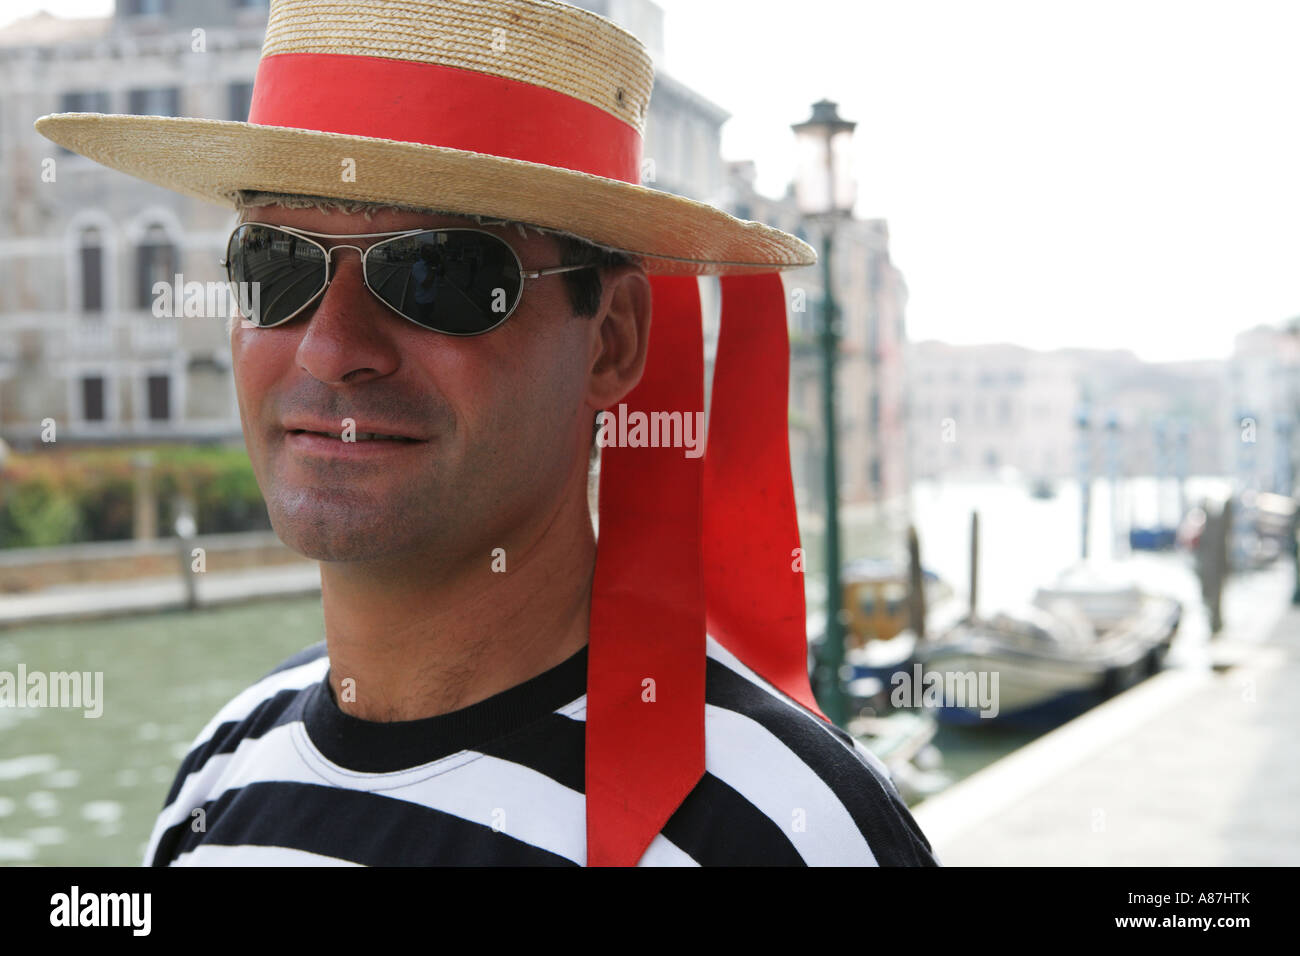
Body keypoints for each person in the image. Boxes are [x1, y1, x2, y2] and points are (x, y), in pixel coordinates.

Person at [37, 0, 937, 866]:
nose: (330, 346)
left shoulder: (789, 834)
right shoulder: (215, 783)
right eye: (276, 264)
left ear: (612, 339)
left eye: (437, 273)